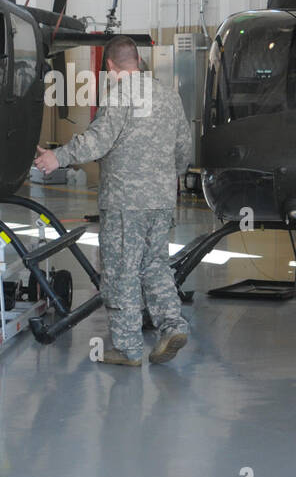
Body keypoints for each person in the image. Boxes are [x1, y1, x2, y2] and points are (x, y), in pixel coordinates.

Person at [33, 37, 193, 366]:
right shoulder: (167, 95)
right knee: (155, 266)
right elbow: (183, 148)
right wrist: (168, 178)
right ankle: (173, 326)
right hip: (161, 201)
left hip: (125, 203)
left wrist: (57, 158)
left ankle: (128, 348)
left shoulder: (119, 95)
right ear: (138, 61)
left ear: (110, 67)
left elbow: (97, 141)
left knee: (121, 272)